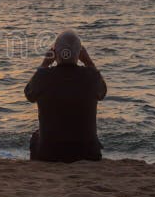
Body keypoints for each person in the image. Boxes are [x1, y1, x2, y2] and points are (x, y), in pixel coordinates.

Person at [24, 29, 107, 162]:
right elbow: (102, 92)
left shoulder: (43, 77)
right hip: (88, 153)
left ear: (55, 53)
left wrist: (44, 64)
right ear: (80, 54)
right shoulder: (91, 76)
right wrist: (89, 63)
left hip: (49, 153)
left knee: (35, 137)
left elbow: (29, 95)